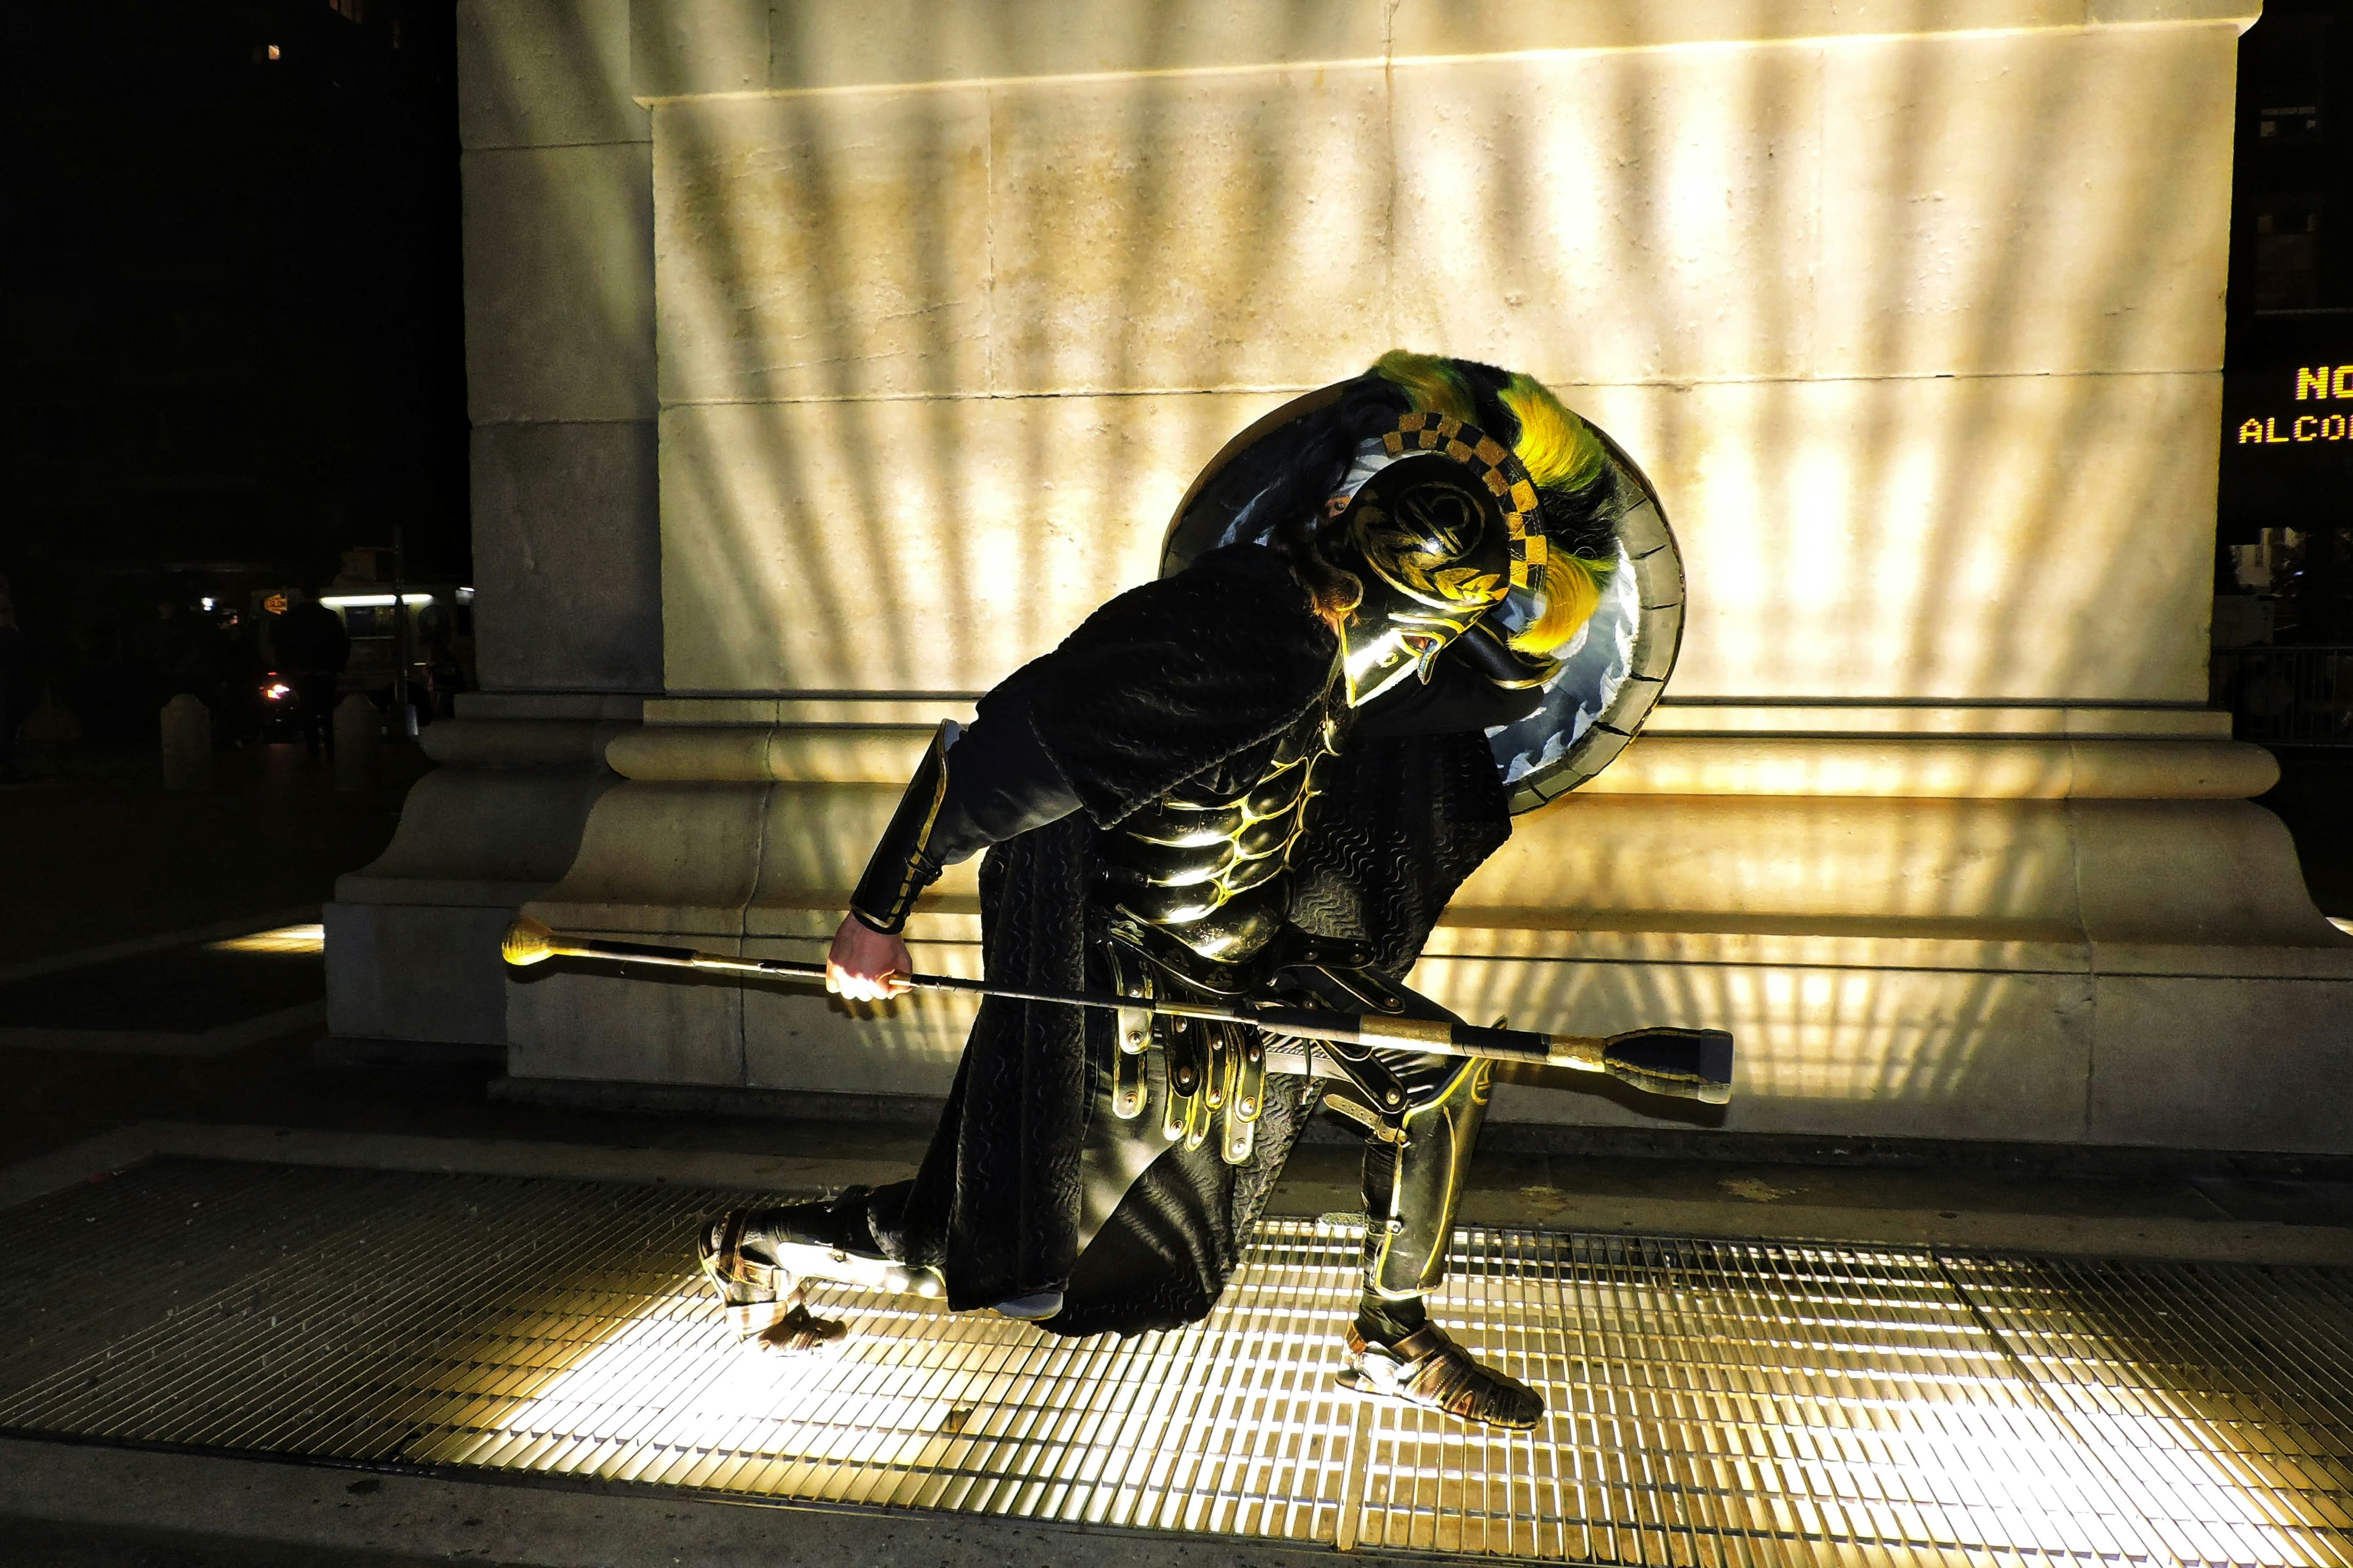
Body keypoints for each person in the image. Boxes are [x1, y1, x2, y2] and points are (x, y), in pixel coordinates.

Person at [698, 352, 1636, 1429]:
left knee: (1435, 1071)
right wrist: (873, 916)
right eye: (1416, 624)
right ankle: (765, 1241)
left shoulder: (1339, 626)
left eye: (1427, 629)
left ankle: (1389, 1336)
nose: (1415, 651)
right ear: (1353, 544)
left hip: (1256, 954)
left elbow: (1499, 678)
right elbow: (994, 756)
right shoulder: (1225, 636)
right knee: (1027, 1254)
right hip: (1129, 976)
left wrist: (1539, 552)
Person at [271, 586, 350, 757]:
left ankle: (312, 748)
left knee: (307, 710)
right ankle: (330, 748)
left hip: (301, 672)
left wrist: (286, 668)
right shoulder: (329, 617)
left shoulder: (290, 618)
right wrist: (338, 666)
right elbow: (343, 644)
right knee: (327, 711)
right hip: (326, 672)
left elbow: (280, 645)